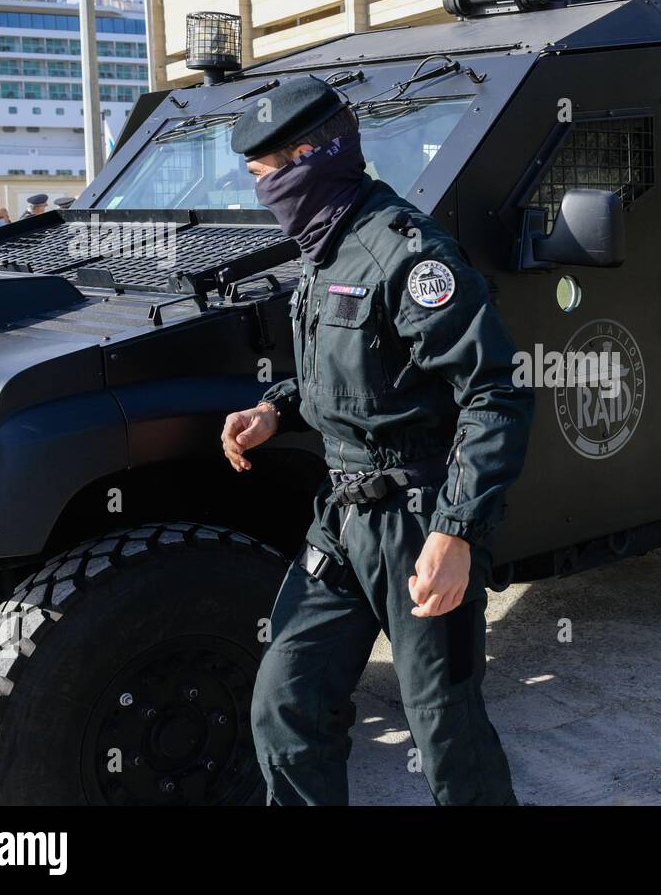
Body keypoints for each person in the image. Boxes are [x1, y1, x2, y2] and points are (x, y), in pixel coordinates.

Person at [219, 76, 534, 806]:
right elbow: (365, 376)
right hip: (341, 519)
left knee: (445, 726)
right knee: (286, 702)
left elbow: (498, 392)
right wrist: (276, 410)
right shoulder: (324, 248)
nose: (261, 192)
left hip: (419, 519)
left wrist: (457, 532)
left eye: (264, 174)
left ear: (307, 157)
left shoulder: (407, 253)